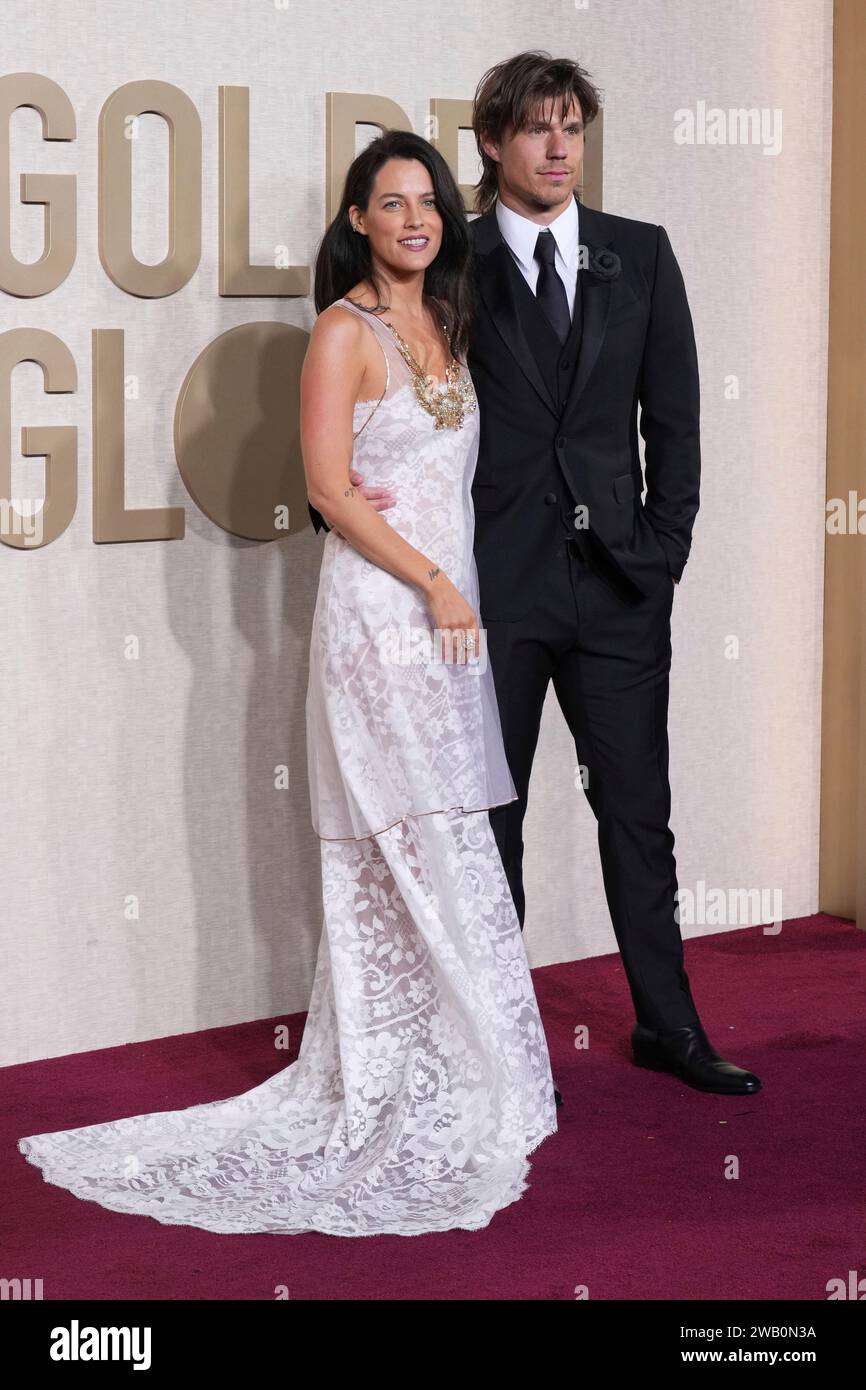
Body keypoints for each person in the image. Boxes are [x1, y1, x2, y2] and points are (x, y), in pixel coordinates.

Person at [17, 129, 557, 1237]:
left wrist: (454, 590)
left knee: (450, 834)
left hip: (446, 622)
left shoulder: (445, 319)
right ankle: (396, 1077)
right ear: (356, 218)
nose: (414, 218)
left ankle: (459, 1068)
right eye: (390, 202)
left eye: (427, 201)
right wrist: (432, 584)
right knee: (400, 846)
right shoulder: (340, 332)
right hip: (384, 620)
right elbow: (327, 490)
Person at [311, 50, 761, 1098]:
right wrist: (341, 484)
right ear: (491, 143)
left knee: (637, 814)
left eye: (572, 128)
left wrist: (662, 554)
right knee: (488, 824)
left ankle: (670, 1027)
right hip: (490, 595)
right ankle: (492, 1045)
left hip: (619, 592)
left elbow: (676, 424)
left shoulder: (639, 255)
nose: (559, 148)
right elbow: (372, 358)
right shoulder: (449, 257)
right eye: (536, 128)